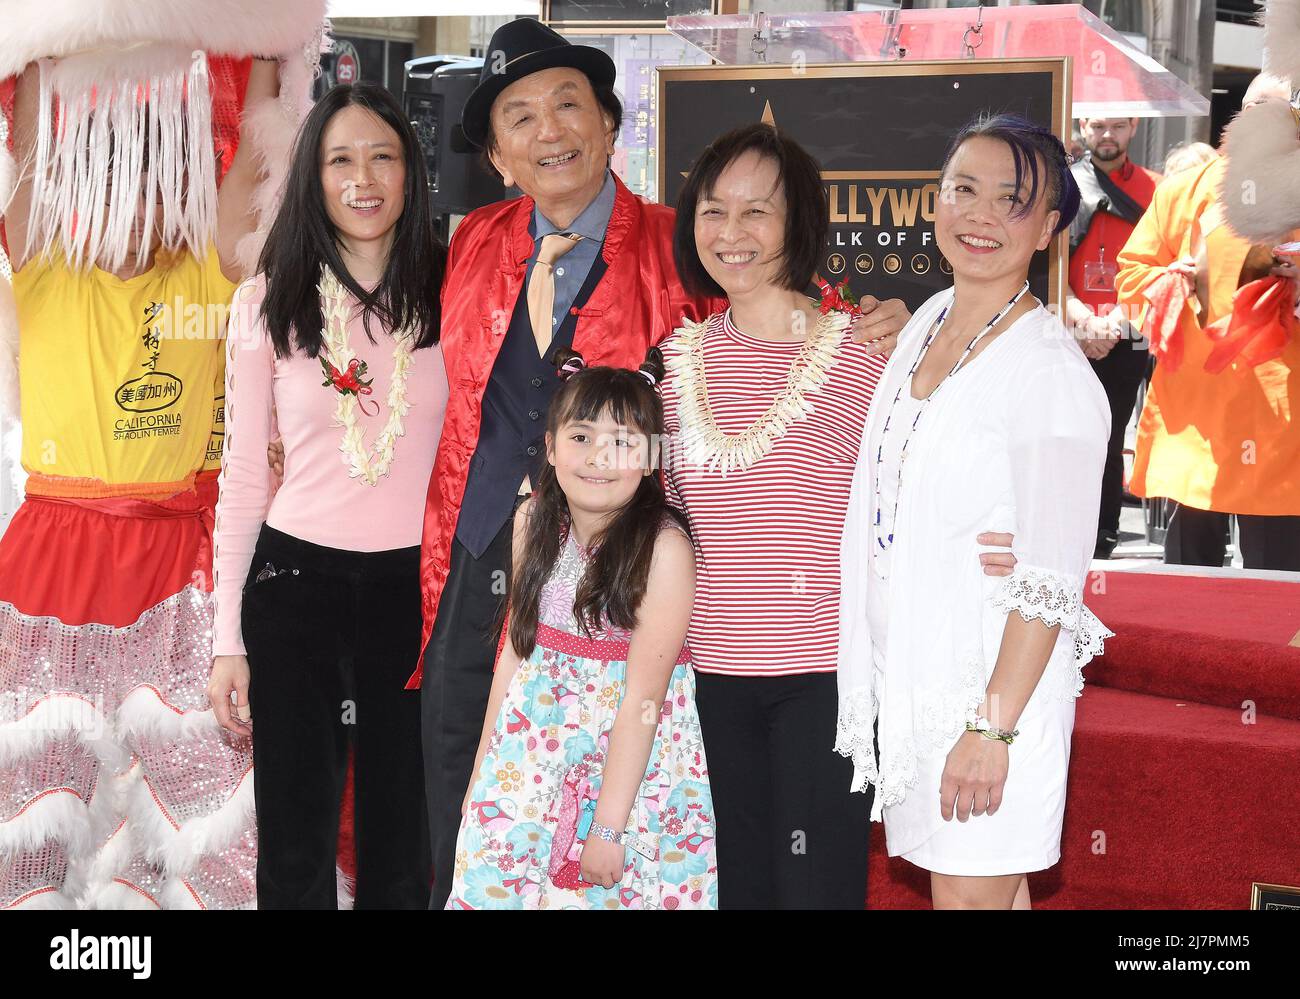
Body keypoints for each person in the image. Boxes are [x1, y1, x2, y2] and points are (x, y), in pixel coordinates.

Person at [414, 17, 911, 909]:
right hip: (489, 550)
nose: (549, 130)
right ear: (496, 155)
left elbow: (795, 309)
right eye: (519, 118)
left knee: (629, 835)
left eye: (569, 104)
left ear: (611, 125)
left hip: (634, 603)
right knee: (475, 792)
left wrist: (892, 319)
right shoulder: (469, 243)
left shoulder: (689, 245)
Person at [657, 122, 1017, 909]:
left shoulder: (868, 352)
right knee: (737, 888)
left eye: (759, 212)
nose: (732, 233)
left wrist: (999, 546)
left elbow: (942, 482)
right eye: (714, 211)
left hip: (829, 679)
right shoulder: (672, 362)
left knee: (816, 889)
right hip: (707, 680)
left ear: (802, 222)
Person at [0, 56, 279, 909]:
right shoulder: (43, 265)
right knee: (36, 781)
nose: (140, 208)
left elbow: (253, 171)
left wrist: (265, 54)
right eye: (117, 185)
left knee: (203, 779)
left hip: (177, 558)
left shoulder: (206, 274)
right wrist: (50, 45)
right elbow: (30, 149)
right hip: (53, 550)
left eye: (161, 188)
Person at [838, 114, 1112, 910]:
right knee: (976, 893)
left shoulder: (1049, 373)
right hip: (918, 680)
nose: (980, 216)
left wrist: (992, 730)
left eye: (1012, 200)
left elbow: (1049, 583)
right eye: (964, 190)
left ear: (1051, 226)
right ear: (935, 201)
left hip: (991, 692)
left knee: (970, 892)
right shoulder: (925, 321)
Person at [210, 82, 448, 908]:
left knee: (400, 848)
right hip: (293, 593)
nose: (364, 177)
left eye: (383, 155)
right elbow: (242, 481)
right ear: (311, 179)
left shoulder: (455, 293)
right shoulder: (264, 304)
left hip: (414, 596)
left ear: (411, 172)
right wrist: (226, 640)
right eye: (339, 159)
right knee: (297, 848)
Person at [446, 349, 714, 910]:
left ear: (651, 458)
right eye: (581, 436)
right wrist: (481, 777)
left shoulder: (663, 549)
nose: (599, 458)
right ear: (549, 446)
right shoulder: (531, 522)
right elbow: (515, 656)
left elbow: (646, 695)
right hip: (526, 762)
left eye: (623, 441)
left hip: (625, 779)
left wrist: (609, 827)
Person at [1115, 74, 1300, 570]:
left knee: (1277, 591)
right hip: (1194, 417)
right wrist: (1175, 281)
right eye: (1253, 110)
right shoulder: (1182, 191)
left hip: (1282, 425)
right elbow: (1131, 282)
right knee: (1186, 589)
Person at [1064, 117, 1161, 558]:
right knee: (1063, 434)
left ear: (1133, 128)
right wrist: (1080, 318)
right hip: (1064, 325)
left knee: (1109, 432)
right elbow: (1042, 257)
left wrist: (1114, 324)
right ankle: (1059, 530)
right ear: (1084, 125)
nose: (1108, 135)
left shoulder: (1156, 189)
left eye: (1118, 126)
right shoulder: (1061, 185)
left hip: (1129, 331)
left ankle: (1103, 536)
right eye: (1099, 126)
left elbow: (1162, 267)